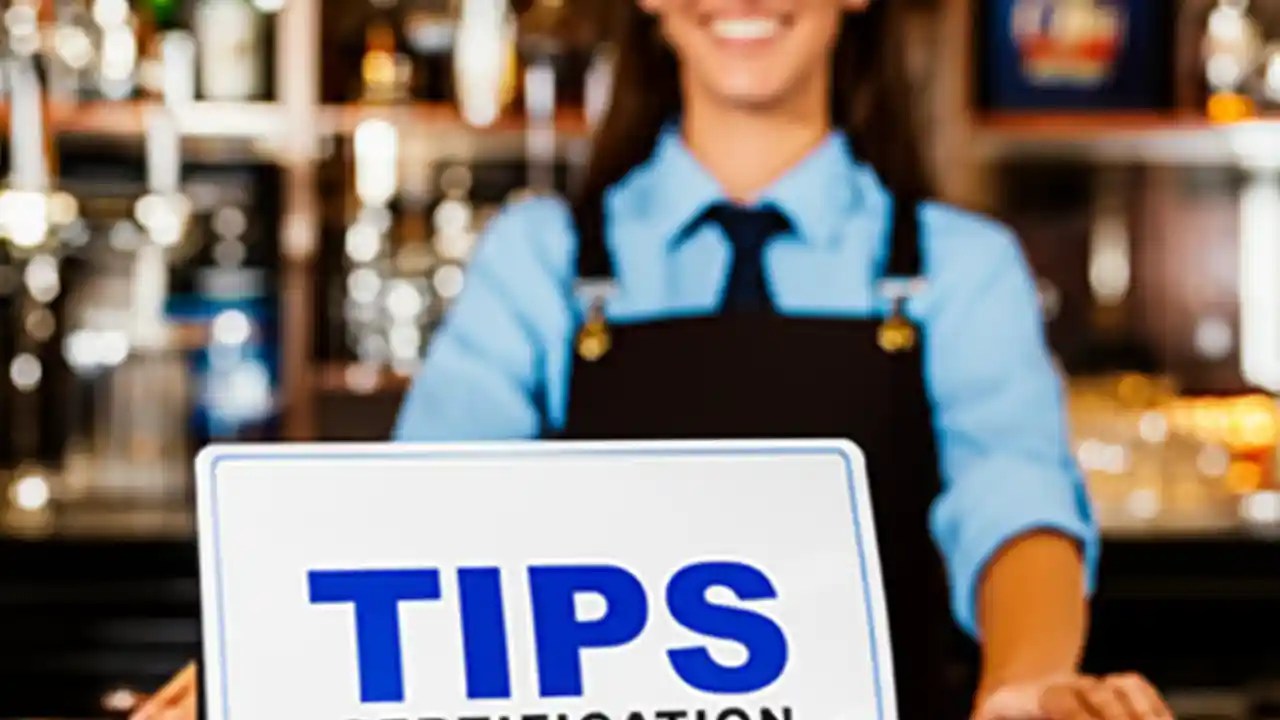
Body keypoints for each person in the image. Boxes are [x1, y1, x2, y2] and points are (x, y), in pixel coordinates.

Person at [133, 1, 1175, 719]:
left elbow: (1014, 503)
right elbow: (426, 515)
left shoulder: (957, 264)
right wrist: (258, 669)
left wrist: (1028, 687)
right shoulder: (540, 259)